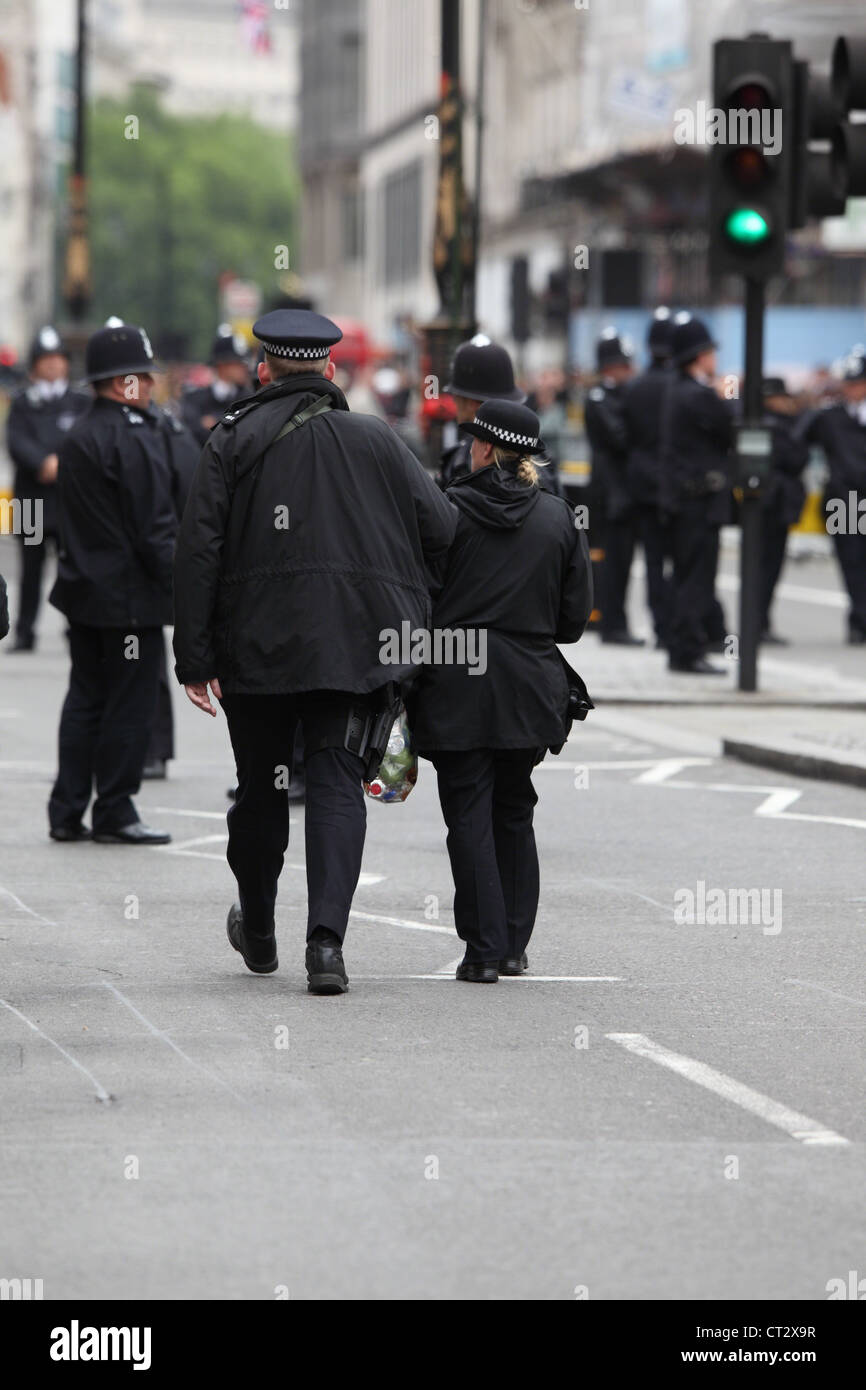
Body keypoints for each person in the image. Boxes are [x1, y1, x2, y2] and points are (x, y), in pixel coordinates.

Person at [172, 309, 456, 994]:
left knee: (263, 786)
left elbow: (198, 552)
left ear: (264, 367)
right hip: (353, 644)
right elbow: (444, 528)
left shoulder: (231, 440)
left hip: (256, 647)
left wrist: (194, 657)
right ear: (330, 369)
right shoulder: (376, 440)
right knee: (335, 784)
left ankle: (261, 927)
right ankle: (326, 945)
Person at [412, 400, 592, 983]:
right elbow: (571, 622)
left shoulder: (447, 511)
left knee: (468, 812)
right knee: (515, 809)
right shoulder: (559, 516)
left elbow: (420, 599)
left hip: (457, 680)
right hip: (530, 684)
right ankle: (513, 945)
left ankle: (483, 950)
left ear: (485, 449)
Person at [47, 322, 176, 844]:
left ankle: (66, 809)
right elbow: (155, 530)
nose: (149, 385)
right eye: (143, 377)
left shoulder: (78, 435)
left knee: (85, 701)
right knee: (129, 704)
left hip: (83, 594)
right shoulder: (135, 437)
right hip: (128, 600)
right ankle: (116, 810)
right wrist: (186, 587)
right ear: (124, 381)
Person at [4, 327, 91, 651]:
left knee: (74, 567)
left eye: (58, 359)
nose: (54, 366)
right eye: (47, 360)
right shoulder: (23, 402)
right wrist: (41, 462)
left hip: (68, 500)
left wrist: (61, 462)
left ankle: (77, 629)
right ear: (35, 365)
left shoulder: (81, 402)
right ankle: (25, 631)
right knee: (30, 569)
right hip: (31, 501)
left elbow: (86, 439)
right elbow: (16, 440)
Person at [659, 313, 735, 674]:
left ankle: (683, 646)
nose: (714, 358)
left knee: (686, 575)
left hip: (686, 501)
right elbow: (730, 424)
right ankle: (687, 650)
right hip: (698, 503)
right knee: (696, 579)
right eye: (709, 351)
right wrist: (727, 392)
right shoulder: (698, 394)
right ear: (698, 355)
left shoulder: (679, 389)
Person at [799, 348, 866, 644]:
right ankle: (859, 620)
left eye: (858, 382)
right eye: (849, 383)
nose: (852, 389)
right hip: (844, 502)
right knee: (852, 563)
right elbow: (796, 437)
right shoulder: (829, 416)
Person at [622, 308, 675, 649]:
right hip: (676, 485)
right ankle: (679, 625)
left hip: (642, 484)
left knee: (653, 560)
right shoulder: (679, 387)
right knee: (684, 561)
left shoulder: (635, 387)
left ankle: (660, 624)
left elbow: (626, 435)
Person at [584, 329, 641, 644]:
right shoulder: (600, 398)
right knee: (613, 560)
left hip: (621, 489)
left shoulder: (619, 396)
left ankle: (617, 620)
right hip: (609, 491)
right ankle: (611, 623)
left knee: (623, 559)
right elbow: (620, 437)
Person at [757, 378, 808, 645]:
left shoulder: (765, 423)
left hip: (769, 504)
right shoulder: (777, 426)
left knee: (764, 567)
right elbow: (795, 458)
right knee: (767, 568)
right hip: (774, 505)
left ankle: (760, 622)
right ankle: (758, 624)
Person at [439, 336, 526, 489]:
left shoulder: (461, 462)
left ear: (471, 404)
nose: (454, 403)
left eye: (456, 397)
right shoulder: (538, 461)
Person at [180, 326, 252, 446]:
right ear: (222, 365)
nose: (245, 368)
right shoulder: (194, 398)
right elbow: (191, 435)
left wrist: (214, 421)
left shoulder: (248, 398)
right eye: (238, 363)